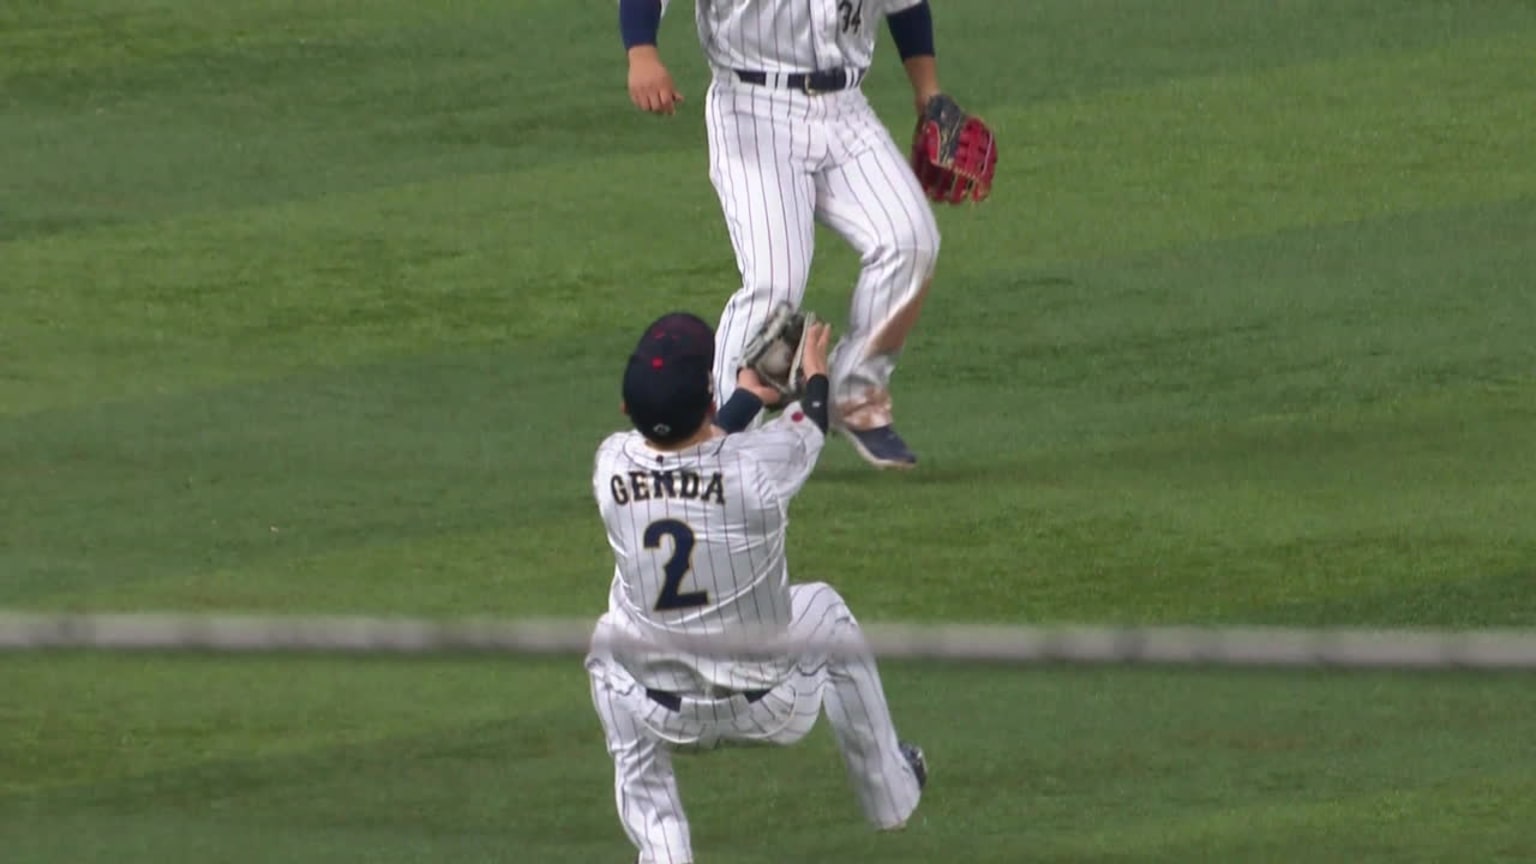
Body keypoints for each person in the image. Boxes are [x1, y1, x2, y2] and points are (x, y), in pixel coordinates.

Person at [584, 311, 928, 864]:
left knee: (607, 645)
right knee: (825, 610)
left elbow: (689, 451)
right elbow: (810, 424)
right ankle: (891, 793)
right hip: (773, 707)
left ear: (627, 411)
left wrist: (745, 399)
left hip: (659, 712)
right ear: (708, 403)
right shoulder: (759, 471)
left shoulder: (609, 467)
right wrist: (816, 376)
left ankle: (662, 851)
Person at [617, 0, 949, 469]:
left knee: (912, 241)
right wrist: (642, 54)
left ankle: (854, 394)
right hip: (753, 109)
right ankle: (720, 438)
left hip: (848, 111)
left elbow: (907, 5)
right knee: (775, 282)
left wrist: (928, 93)